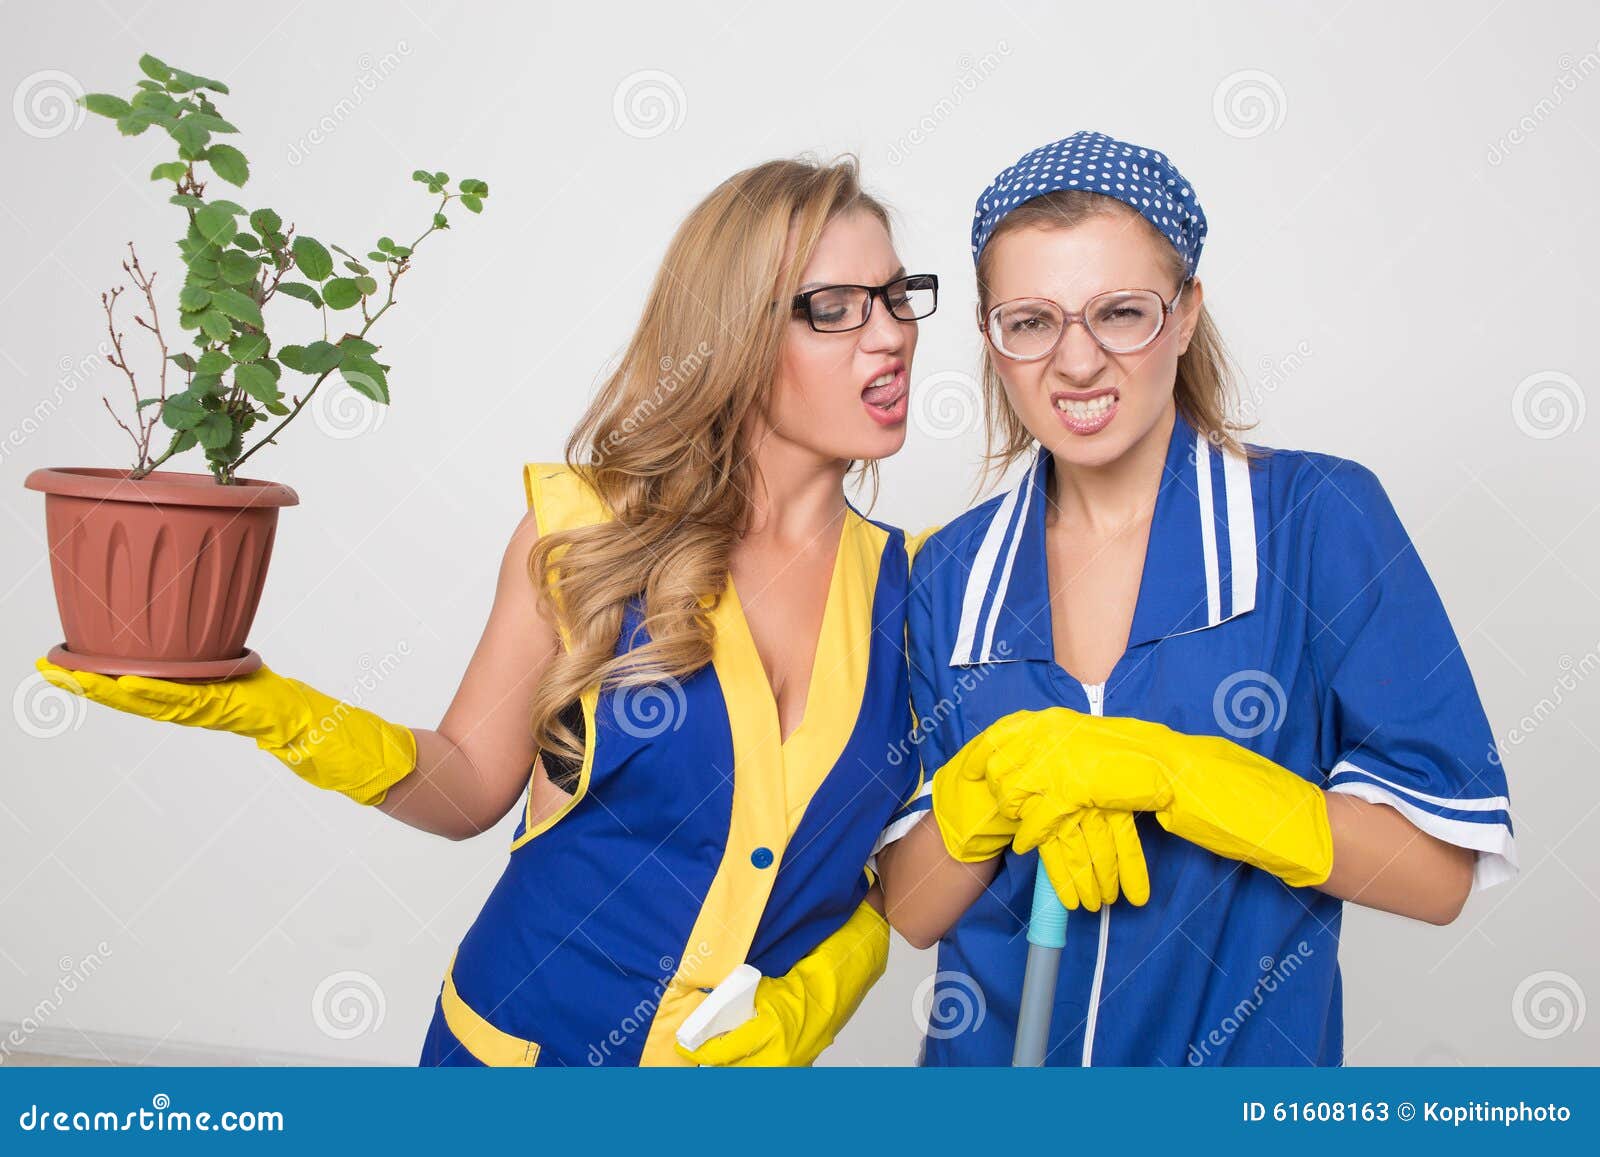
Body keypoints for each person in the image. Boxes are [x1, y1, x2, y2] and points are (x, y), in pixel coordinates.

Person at [37, 156, 939, 1067]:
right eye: (837, 307)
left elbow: (891, 872)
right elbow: (466, 784)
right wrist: (276, 710)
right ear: (735, 333)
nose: (892, 336)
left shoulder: (920, 591)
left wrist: (821, 993)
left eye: (900, 297)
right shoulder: (591, 534)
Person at [875, 131, 1516, 1066]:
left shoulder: (1316, 522)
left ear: (1185, 313)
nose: (1077, 361)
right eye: (1031, 320)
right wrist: (998, 785)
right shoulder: (949, 572)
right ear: (990, 337)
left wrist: (1179, 774)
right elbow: (912, 906)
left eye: (1121, 312)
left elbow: (1437, 871)